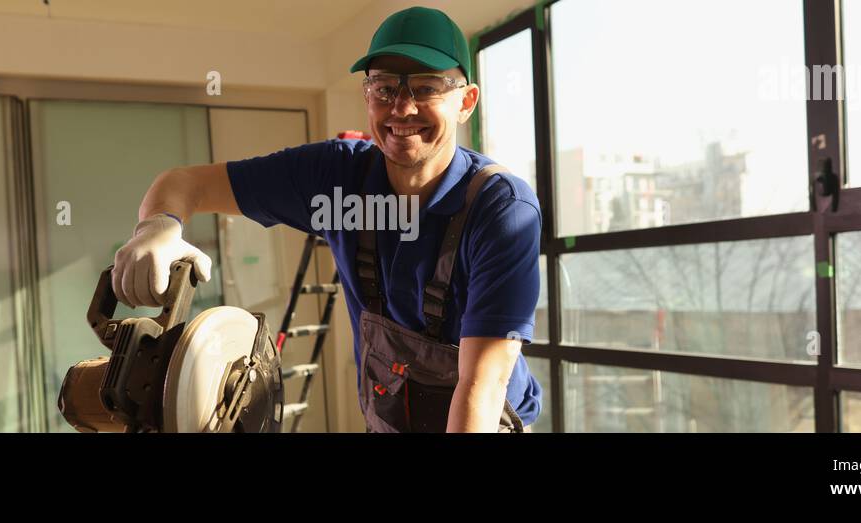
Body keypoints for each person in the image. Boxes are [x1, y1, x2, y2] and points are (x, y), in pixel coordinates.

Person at [112, 6, 542, 433]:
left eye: (427, 88)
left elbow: (482, 387)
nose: (403, 109)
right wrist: (159, 227)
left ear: (465, 102)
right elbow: (186, 183)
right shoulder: (335, 178)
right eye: (385, 89)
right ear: (367, 96)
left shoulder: (501, 210)